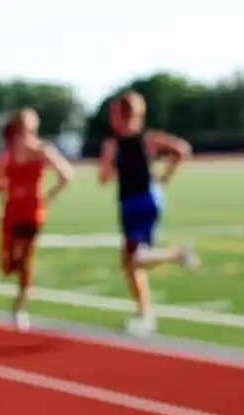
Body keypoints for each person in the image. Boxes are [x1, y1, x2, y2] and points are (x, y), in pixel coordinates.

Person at [99, 90, 199, 337]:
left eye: (114, 113)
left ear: (124, 115)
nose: (111, 118)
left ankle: (177, 255)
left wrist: (164, 178)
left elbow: (181, 150)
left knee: (135, 260)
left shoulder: (145, 140)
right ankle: (145, 315)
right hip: (131, 202)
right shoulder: (122, 143)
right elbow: (105, 177)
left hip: (142, 202)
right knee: (130, 263)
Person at [0, 108, 74, 331]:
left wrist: (47, 197)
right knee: (7, 263)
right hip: (11, 211)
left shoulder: (41, 150)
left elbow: (66, 174)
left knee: (26, 261)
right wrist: (0, 187)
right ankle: (14, 272)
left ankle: (19, 307)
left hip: (31, 211)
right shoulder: (7, 154)